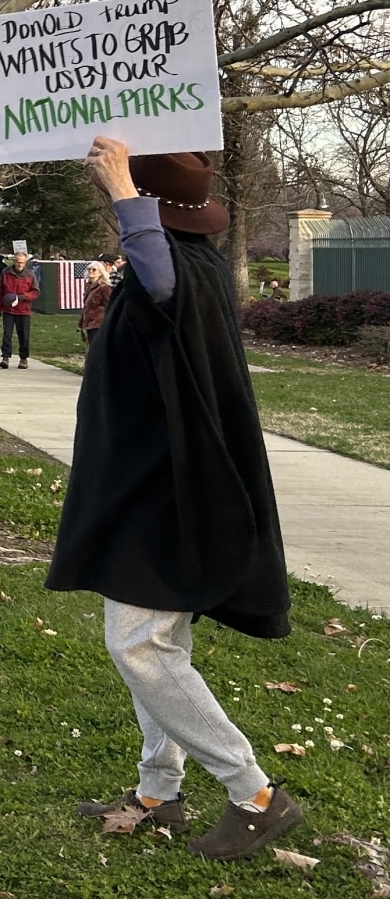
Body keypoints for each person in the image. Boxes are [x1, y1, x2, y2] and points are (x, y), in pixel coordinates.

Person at [58, 140, 300, 859]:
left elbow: (157, 278)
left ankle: (254, 793)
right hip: (150, 490)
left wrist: (121, 187)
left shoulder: (177, 275)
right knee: (159, 643)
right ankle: (159, 791)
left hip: (173, 496)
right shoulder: (193, 267)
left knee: (138, 646)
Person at [0, 251, 40, 368]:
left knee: (24, 335)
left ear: (25, 262)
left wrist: (22, 297)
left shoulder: (30, 275)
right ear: (14, 261)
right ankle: (5, 357)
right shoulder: (6, 272)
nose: (20, 264)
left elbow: (35, 292)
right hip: (8, 309)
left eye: (22, 262)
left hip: (23, 310)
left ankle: (23, 358)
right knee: (7, 334)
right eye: (18, 262)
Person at [78, 260, 111, 350]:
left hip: (98, 324)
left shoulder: (104, 287)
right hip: (88, 323)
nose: (91, 271)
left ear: (100, 272)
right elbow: (86, 307)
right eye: (89, 269)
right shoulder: (89, 286)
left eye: (94, 269)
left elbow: (110, 305)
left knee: (96, 350)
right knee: (90, 349)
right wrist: (80, 323)